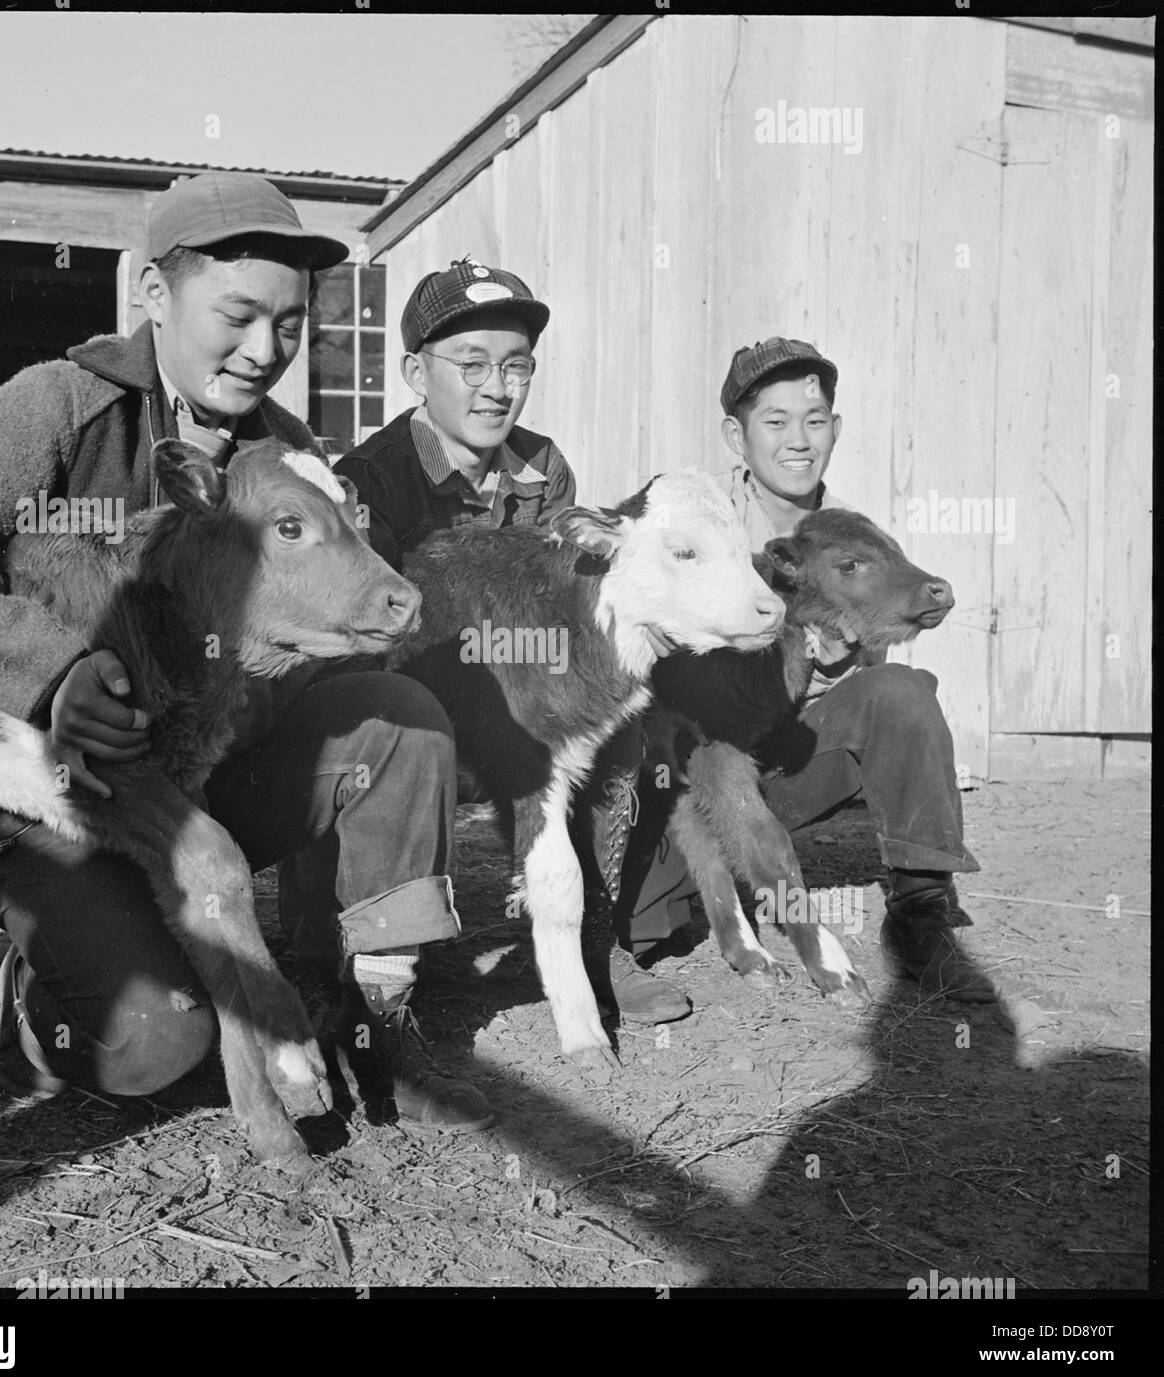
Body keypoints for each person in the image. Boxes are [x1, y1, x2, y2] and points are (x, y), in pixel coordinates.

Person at [0, 171, 495, 1135]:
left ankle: (369, 1008)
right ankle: (40, 1018)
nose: (263, 351)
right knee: (158, 1043)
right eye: (238, 314)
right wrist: (53, 672)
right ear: (156, 297)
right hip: (58, 802)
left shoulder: (285, 447)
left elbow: (309, 607)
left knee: (401, 720)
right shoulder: (61, 407)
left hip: (205, 772)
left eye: (290, 325)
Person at [330, 257, 691, 1025]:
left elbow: (567, 608)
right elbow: (369, 636)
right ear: (414, 372)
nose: (497, 387)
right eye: (471, 364)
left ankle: (584, 942)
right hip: (418, 696)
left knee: (622, 730)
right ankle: (366, 950)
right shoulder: (368, 479)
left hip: (526, 688)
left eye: (517, 366)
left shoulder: (542, 467)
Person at [619, 337, 997, 1003]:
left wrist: (837, 659)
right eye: (776, 421)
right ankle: (698, 889)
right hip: (680, 770)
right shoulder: (693, 524)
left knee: (903, 693)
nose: (799, 440)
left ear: (836, 428)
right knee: (646, 915)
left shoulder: (851, 534)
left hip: (784, 761)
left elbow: (869, 674)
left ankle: (921, 917)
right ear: (737, 436)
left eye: (815, 420)